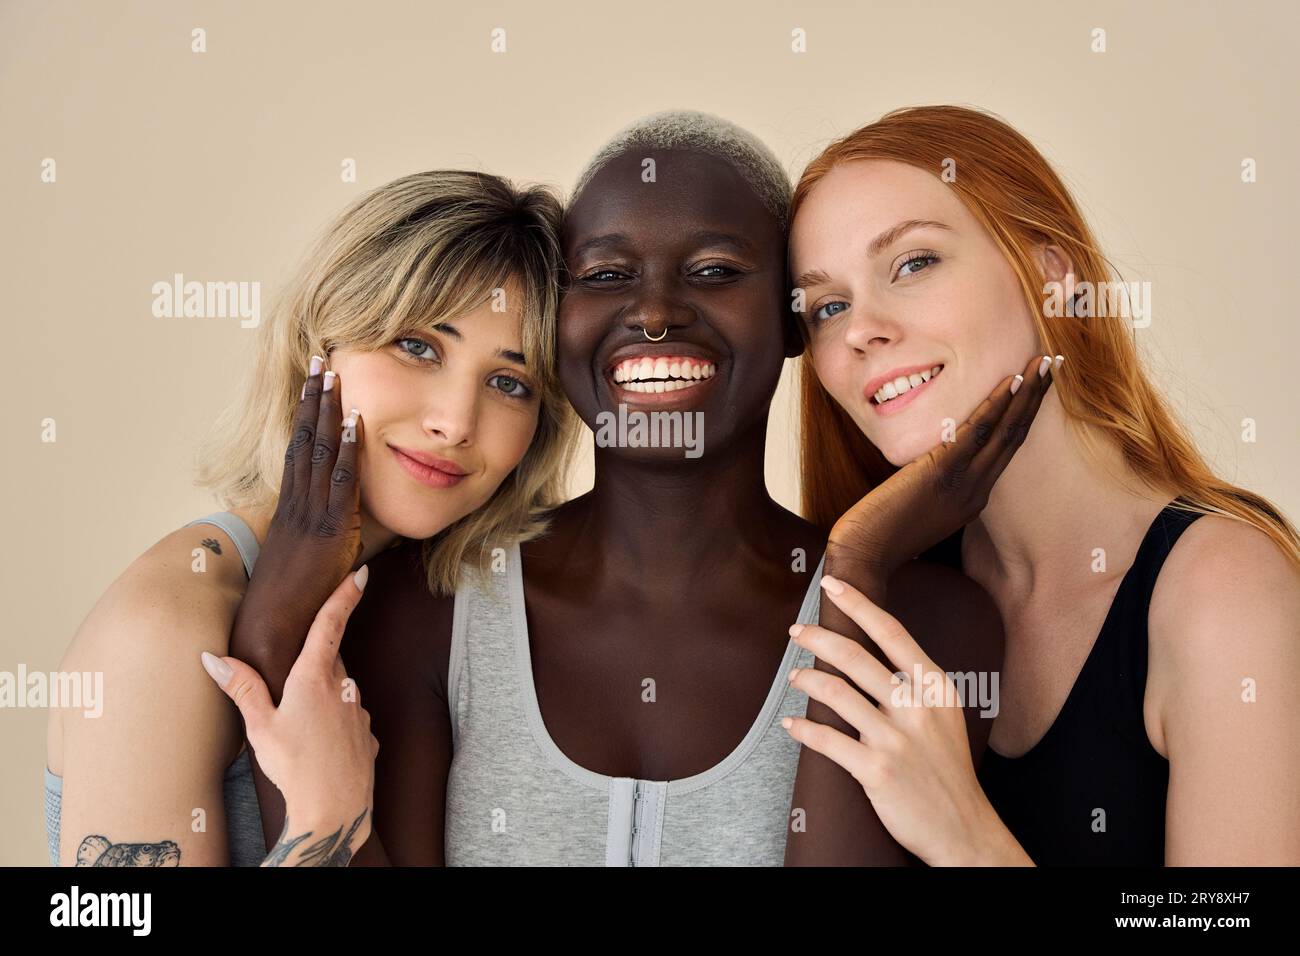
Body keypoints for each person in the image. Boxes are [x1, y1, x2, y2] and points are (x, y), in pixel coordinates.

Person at [231, 111, 1038, 866]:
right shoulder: (434, 604)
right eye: (608, 273)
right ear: (560, 320)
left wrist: (858, 563)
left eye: (715, 271)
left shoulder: (929, 623)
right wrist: (271, 630)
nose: (654, 312)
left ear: (794, 320)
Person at [782, 105, 1300, 865]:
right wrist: (857, 552)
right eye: (829, 306)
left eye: (914, 263)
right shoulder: (895, 588)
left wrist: (970, 839)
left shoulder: (1223, 593)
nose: (861, 328)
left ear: (1053, 279)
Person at [44, 170, 577, 865]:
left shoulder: (454, 618)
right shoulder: (167, 628)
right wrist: (324, 819)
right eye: (417, 347)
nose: (454, 422)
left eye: (510, 383)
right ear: (317, 348)